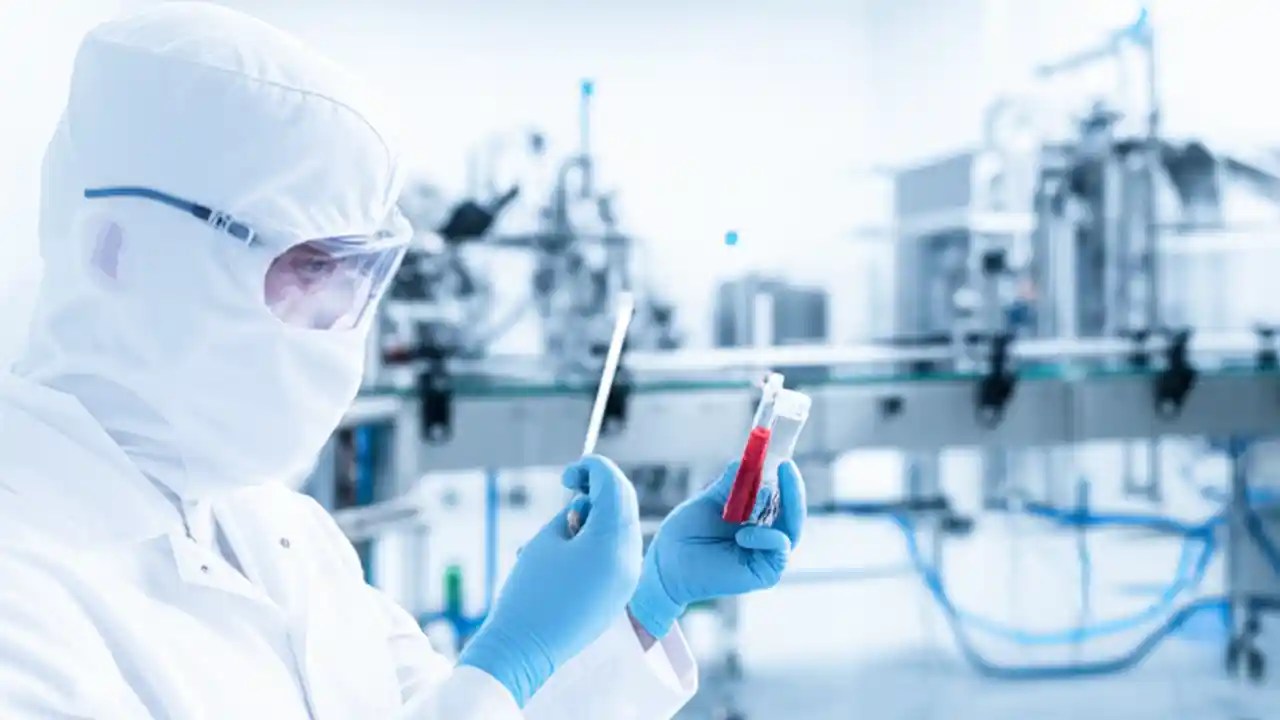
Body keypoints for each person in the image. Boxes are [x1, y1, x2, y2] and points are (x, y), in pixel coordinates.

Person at [0, 3, 807, 719]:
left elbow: (459, 708)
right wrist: (503, 659)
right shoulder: (24, 592)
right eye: (312, 270)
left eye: (363, 280)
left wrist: (643, 606)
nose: (340, 329)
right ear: (120, 250)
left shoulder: (281, 530)